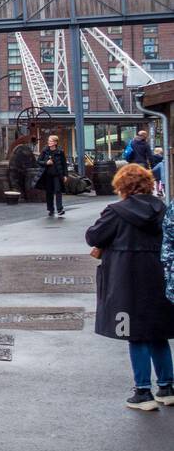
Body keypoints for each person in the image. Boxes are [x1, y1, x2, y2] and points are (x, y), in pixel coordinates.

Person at [85, 164, 174, 411]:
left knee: (135, 335)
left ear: (121, 186)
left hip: (126, 279)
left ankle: (143, 392)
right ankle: (167, 388)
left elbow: (94, 237)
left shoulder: (116, 211)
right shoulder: (162, 209)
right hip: (159, 275)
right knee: (158, 332)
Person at [35, 134, 68, 218]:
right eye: (49, 141)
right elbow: (38, 161)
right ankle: (51, 209)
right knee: (49, 193)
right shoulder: (45, 150)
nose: (49, 142)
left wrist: (65, 175)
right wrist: (46, 162)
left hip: (57, 175)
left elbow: (64, 165)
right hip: (47, 175)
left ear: (55, 142)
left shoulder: (60, 151)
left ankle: (60, 210)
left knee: (58, 191)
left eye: (51, 141)